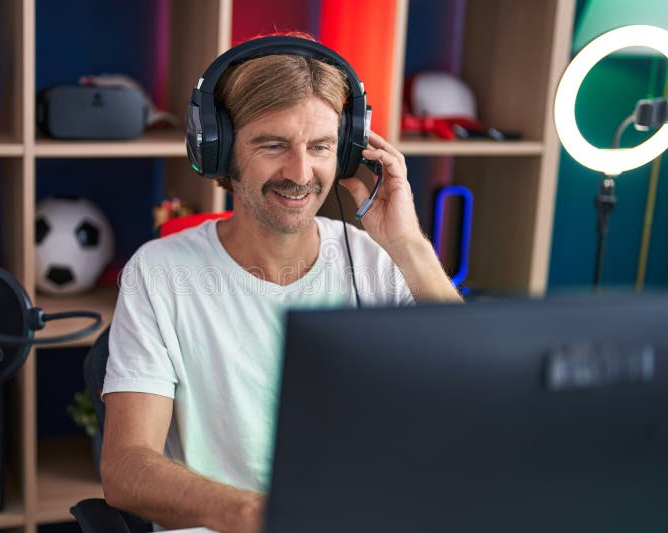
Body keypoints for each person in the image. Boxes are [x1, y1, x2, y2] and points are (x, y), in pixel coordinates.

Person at [100, 36, 461, 533]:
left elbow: (469, 399)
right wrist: (261, 514)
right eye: (272, 145)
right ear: (220, 150)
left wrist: (409, 246)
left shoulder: (379, 263)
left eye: (320, 147)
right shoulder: (159, 273)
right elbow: (125, 470)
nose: (300, 173)